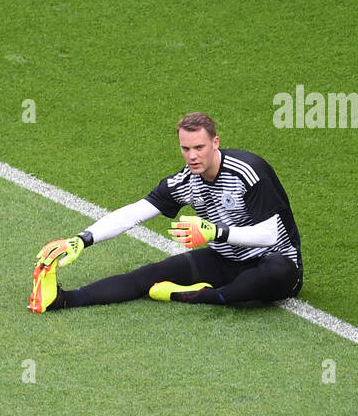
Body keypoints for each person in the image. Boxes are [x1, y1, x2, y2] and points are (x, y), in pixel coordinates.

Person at [28, 112, 302, 311]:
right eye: (185, 148)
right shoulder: (185, 182)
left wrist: (216, 232)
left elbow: (269, 235)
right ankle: (62, 300)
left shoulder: (248, 171)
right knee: (146, 276)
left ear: (215, 143)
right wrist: (82, 239)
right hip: (224, 260)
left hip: (274, 262)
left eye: (199, 147)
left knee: (269, 275)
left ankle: (195, 296)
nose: (192, 156)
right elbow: (134, 213)